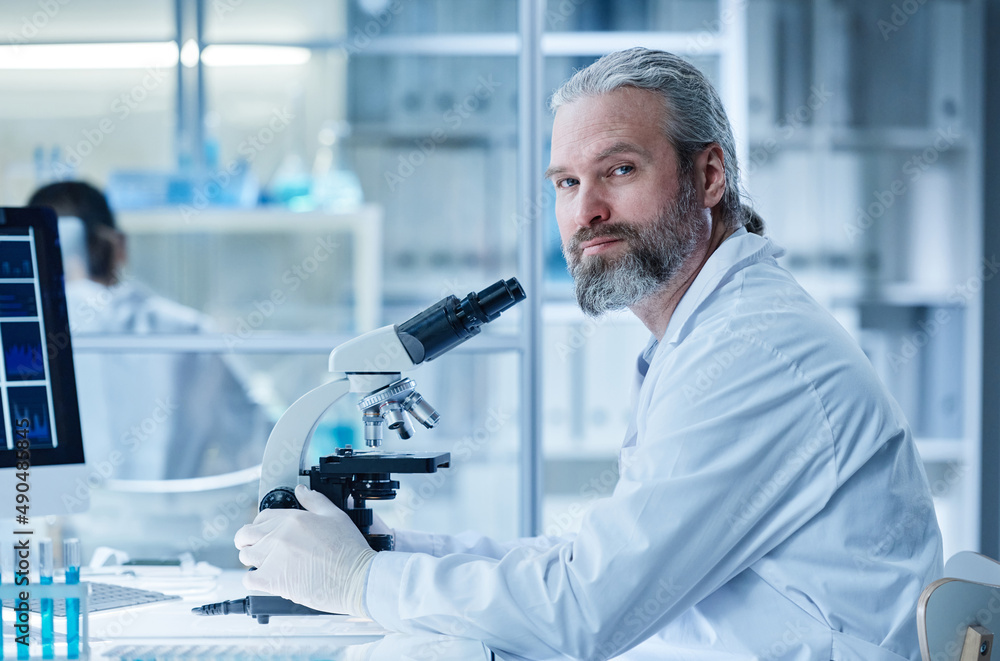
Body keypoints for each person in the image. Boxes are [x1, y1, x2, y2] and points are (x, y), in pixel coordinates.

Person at [235, 48, 943, 660]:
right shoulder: (709, 333)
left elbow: (584, 609)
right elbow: (592, 565)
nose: (586, 211)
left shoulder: (753, 352)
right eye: (567, 183)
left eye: (620, 170)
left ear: (709, 177)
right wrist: (392, 554)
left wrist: (357, 583)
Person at [28, 181, 270, 479]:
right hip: (178, 524)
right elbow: (262, 449)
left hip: (59, 524)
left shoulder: (27, 342)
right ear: (119, 247)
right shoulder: (189, 331)